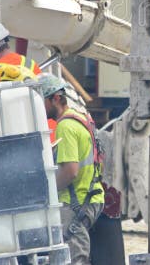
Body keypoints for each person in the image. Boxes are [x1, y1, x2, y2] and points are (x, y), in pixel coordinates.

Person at [38, 74, 104, 265]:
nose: (39, 108)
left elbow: (70, 171)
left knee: (74, 258)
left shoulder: (65, 126)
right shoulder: (81, 117)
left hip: (75, 202)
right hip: (89, 197)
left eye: (41, 101)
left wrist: (48, 191)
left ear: (56, 98)